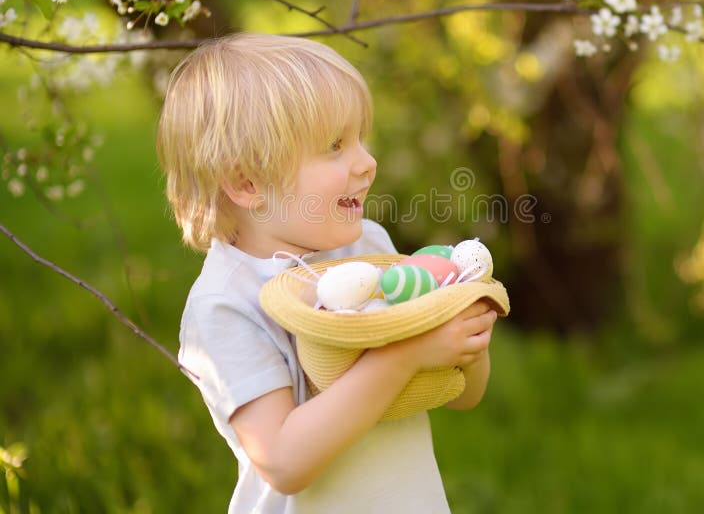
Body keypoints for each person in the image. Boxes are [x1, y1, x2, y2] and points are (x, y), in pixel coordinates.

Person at [157, 33, 498, 513]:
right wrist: (403, 355)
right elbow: (282, 462)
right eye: (335, 146)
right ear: (247, 182)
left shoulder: (368, 247)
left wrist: (464, 335)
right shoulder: (224, 305)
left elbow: (464, 396)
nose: (367, 163)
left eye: (360, 138)